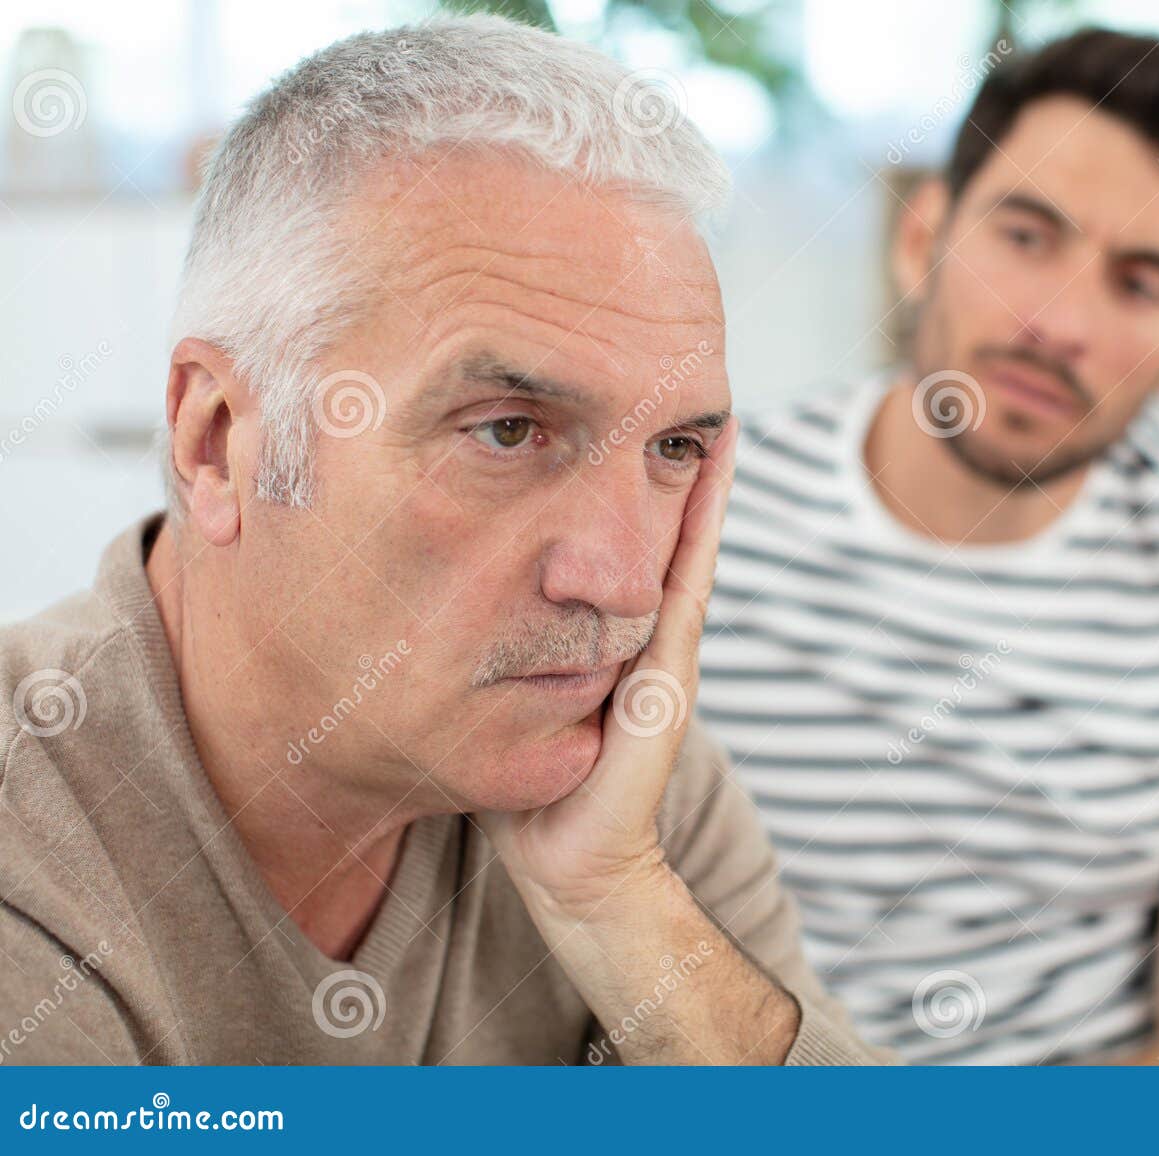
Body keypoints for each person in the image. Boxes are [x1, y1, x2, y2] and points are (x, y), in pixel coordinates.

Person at [0, 16, 888, 1066]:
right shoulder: (32, 853)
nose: (619, 582)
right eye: (506, 431)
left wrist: (616, 904)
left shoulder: (625, 783)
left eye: (674, 447)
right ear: (219, 441)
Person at [696, 28, 1159, 1065]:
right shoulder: (697, 502)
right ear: (921, 238)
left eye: (1139, 282)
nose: (1058, 322)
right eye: (1026, 236)